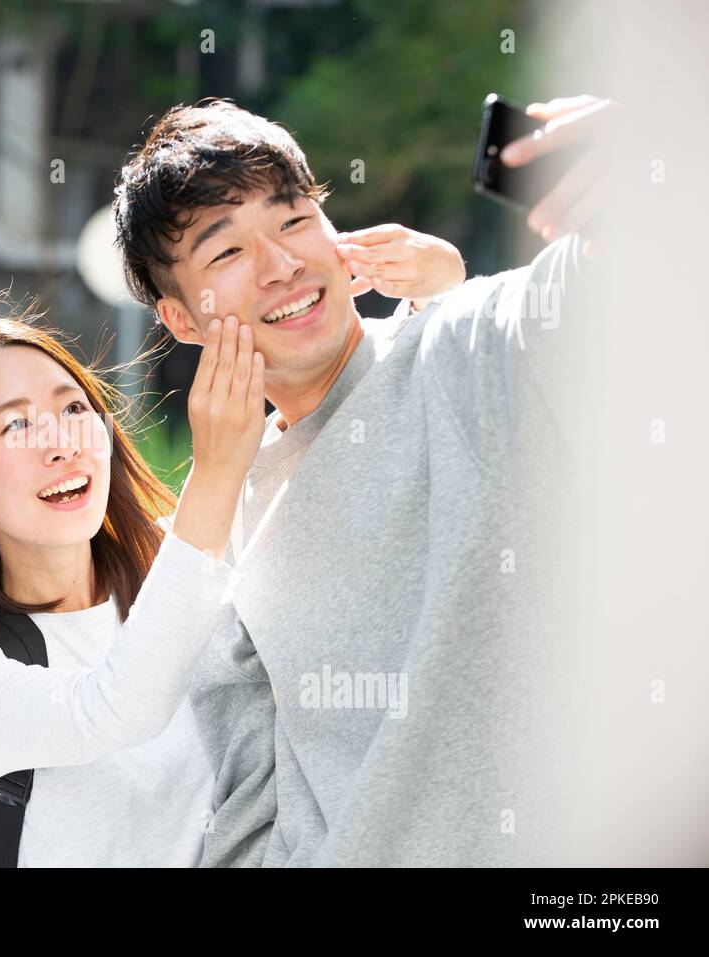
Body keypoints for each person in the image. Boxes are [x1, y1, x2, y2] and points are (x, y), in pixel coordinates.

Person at [0, 193, 467, 864]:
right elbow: (118, 708)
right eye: (15, 423)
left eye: (73, 407)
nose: (60, 443)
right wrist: (216, 472)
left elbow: (367, 464)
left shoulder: (191, 567)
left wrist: (444, 294)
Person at [112, 97, 605, 865]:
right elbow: (242, 796)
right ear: (182, 318)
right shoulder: (216, 523)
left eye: (293, 219)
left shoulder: (459, 348)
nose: (282, 265)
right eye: (226, 253)